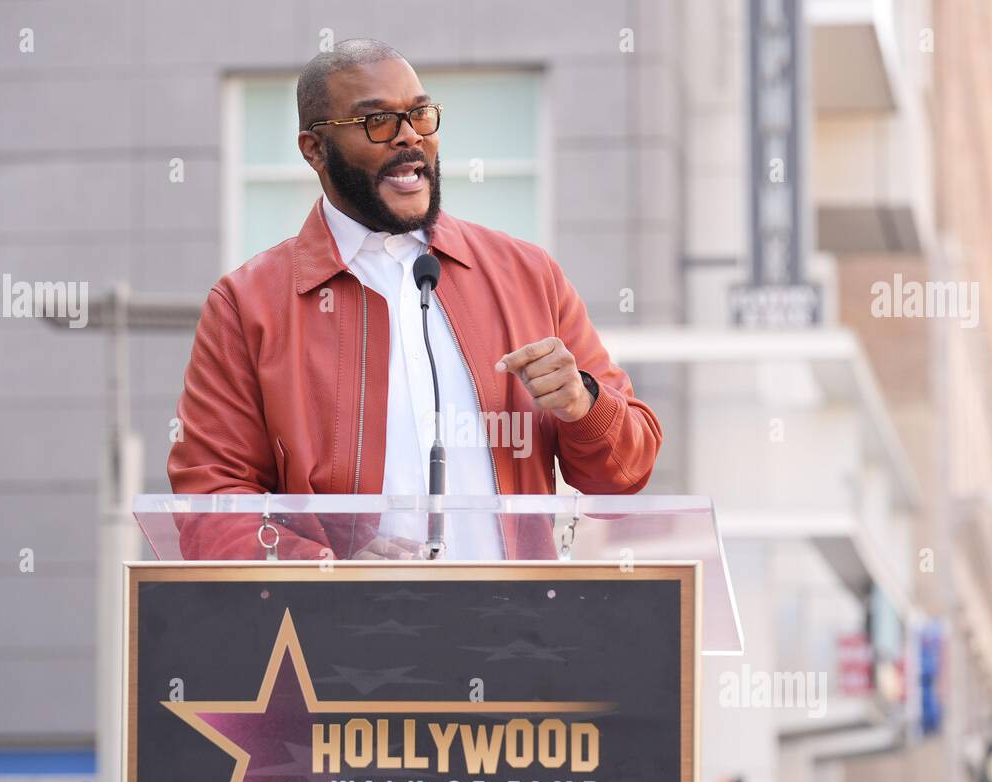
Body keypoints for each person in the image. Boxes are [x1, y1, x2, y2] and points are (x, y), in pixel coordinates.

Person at [169, 39, 662, 561]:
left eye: (420, 114)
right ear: (314, 150)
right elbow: (210, 507)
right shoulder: (247, 305)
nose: (409, 137)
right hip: (341, 632)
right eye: (378, 120)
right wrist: (327, 571)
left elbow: (624, 477)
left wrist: (582, 405)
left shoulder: (527, 275)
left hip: (516, 633)